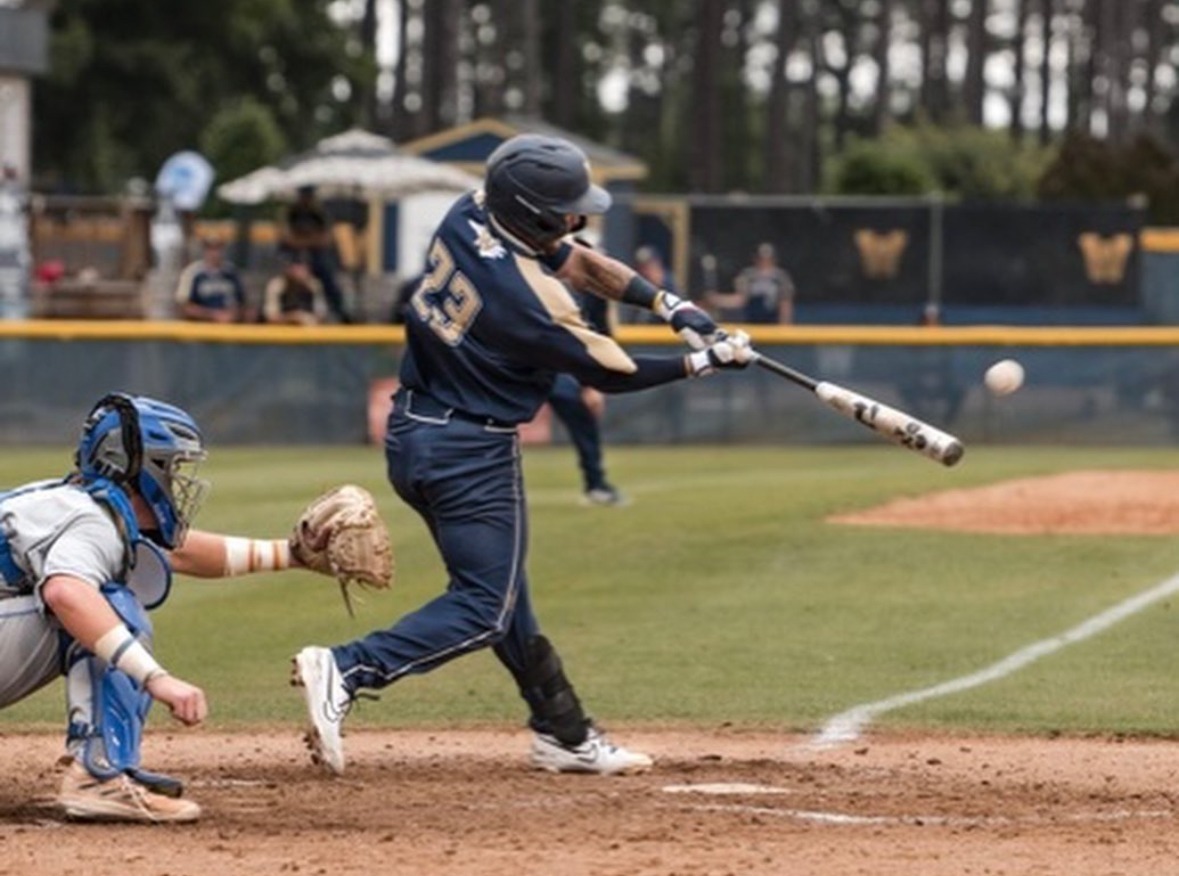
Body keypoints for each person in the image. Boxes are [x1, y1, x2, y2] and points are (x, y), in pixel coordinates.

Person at [291, 133, 752, 777]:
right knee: (485, 607)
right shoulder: (527, 304)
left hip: (416, 429)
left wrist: (672, 304)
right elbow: (612, 371)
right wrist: (703, 361)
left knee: (505, 594)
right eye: (565, 210)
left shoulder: (470, 214)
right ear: (530, 212)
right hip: (469, 451)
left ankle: (562, 730)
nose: (576, 219)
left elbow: (578, 259)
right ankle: (347, 667)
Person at [0, 393, 329, 823]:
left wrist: (291, 556)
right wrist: (157, 678)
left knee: (98, 605)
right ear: (142, 467)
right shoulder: (90, 520)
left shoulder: (74, 503)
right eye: (170, 466)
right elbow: (68, 594)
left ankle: (100, 771)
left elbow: (177, 553)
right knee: (111, 608)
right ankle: (98, 778)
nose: (177, 481)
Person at [548, 289, 626, 507]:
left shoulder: (590, 285)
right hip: (524, 357)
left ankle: (596, 484)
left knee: (584, 423)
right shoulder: (524, 266)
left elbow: (600, 333)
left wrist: (593, 384)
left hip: (566, 367)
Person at [280, 185, 353, 323]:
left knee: (328, 279)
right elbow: (287, 238)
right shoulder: (293, 212)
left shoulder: (318, 213)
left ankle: (340, 313)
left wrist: (304, 241)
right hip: (293, 257)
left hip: (316, 257)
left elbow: (326, 239)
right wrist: (308, 241)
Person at [174, 238, 248, 323]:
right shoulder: (192, 272)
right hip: (200, 324)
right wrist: (213, 315)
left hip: (229, 324)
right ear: (204, 251)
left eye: (218, 249)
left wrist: (232, 314)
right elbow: (185, 307)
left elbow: (242, 304)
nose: (214, 253)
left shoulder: (232, 273)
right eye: (210, 249)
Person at [730, 242, 796, 324]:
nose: (764, 262)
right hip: (750, 321)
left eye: (768, 259)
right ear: (755, 259)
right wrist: (716, 300)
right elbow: (740, 299)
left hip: (773, 322)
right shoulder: (747, 276)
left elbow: (785, 305)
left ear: (774, 260)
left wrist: (784, 329)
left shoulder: (781, 278)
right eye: (761, 259)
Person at [263, 254, 327, 325]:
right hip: (280, 329)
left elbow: (321, 315)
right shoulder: (277, 285)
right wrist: (293, 317)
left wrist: (305, 318)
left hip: (309, 328)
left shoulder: (313, 285)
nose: (299, 272)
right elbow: (271, 316)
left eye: (302, 268)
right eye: (295, 268)